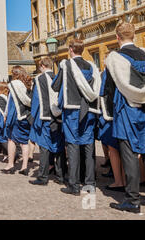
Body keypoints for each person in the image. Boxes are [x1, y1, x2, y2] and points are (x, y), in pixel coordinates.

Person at [102, 22, 145, 213]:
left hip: (125, 109)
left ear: (117, 37)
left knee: (128, 154)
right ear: (134, 35)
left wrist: (109, 113)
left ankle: (132, 199)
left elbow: (109, 88)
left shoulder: (114, 58)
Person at [51, 39, 100, 195]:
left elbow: (55, 86)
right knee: (88, 146)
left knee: (72, 145)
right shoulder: (91, 66)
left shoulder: (66, 65)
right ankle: (90, 183)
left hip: (72, 110)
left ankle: (74, 184)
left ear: (71, 49)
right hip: (90, 110)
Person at [29, 57, 66, 185]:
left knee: (44, 146)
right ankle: (61, 176)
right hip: (58, 116)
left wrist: (32, 117)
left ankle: (43, 176)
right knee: (59, 146)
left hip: (44, 116)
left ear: (42, 66)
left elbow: (35, 99)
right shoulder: (57, 77)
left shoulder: (39, 79)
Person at [98, 55, 125, 192]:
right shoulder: (124, 69)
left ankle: (118, 181)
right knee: (124, 148)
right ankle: (125, 179)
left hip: (110, 113)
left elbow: (103, 92)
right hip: (124, 111)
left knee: (113, 149)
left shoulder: (107, 72)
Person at [5, 66, 33, 176]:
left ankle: (10, 164)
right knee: (24, 142)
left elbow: (9, 102)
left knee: (11, 140)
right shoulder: (28, 84)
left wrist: (6, 115)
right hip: (26, 116)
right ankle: (24, 166)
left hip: (16, 116)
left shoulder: (14, 85)